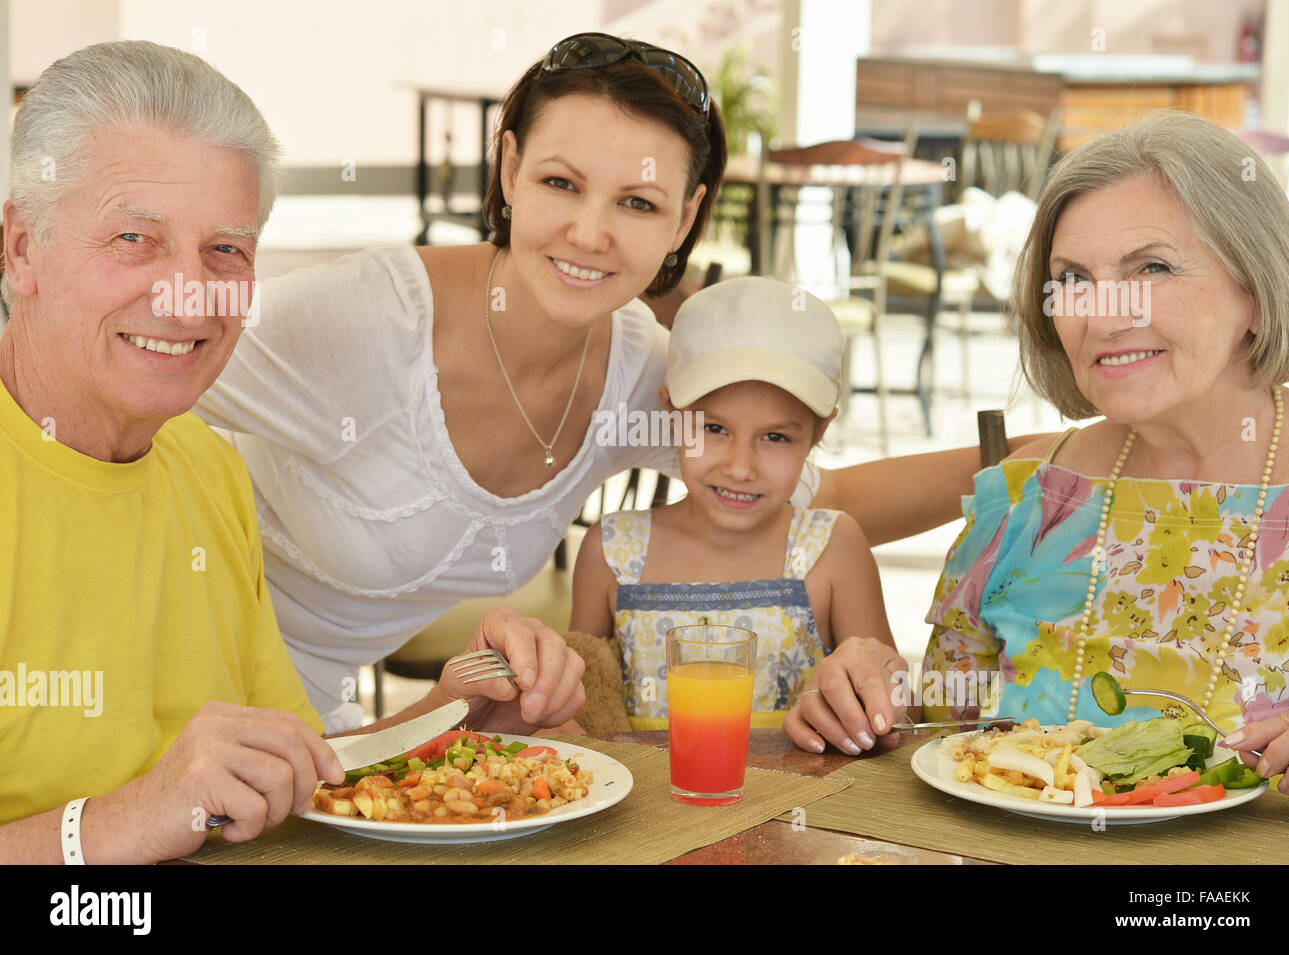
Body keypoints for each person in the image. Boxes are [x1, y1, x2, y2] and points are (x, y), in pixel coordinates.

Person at [194, 32, 1026, 736]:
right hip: (162, 673)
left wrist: (1037, 458)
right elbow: (118, 365)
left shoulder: (637, 370)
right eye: (561, 183)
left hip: (309, 723)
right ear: (510, 168)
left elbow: (807, 493)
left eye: (636, 201)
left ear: (686, 217)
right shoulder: (370, 322)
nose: (589, 233)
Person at [0, 40, 583, 865]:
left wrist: (456, 714)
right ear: (21, 249)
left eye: (226, 250)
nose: (186, 293)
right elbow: (157, 813)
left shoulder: (205, 464)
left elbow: (294, 778)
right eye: (134, 237)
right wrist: (121, 822)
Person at [913, 111, 1289, 800]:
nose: (1102, 314)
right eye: (1073, 278)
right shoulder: (1022, 508)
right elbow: (937, 743)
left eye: (1151, 267)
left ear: (1257, 288)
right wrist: (855, 684)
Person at [568, 277, 897, 743]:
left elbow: (889, 712)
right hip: (648, 813)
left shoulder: (833, 547)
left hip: (801, 811)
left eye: (776, 437)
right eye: (715, 428)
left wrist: (867, 698)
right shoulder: (612, 549)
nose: (740, 467)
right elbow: (582, 712)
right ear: (670, 411)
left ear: (820, 431)